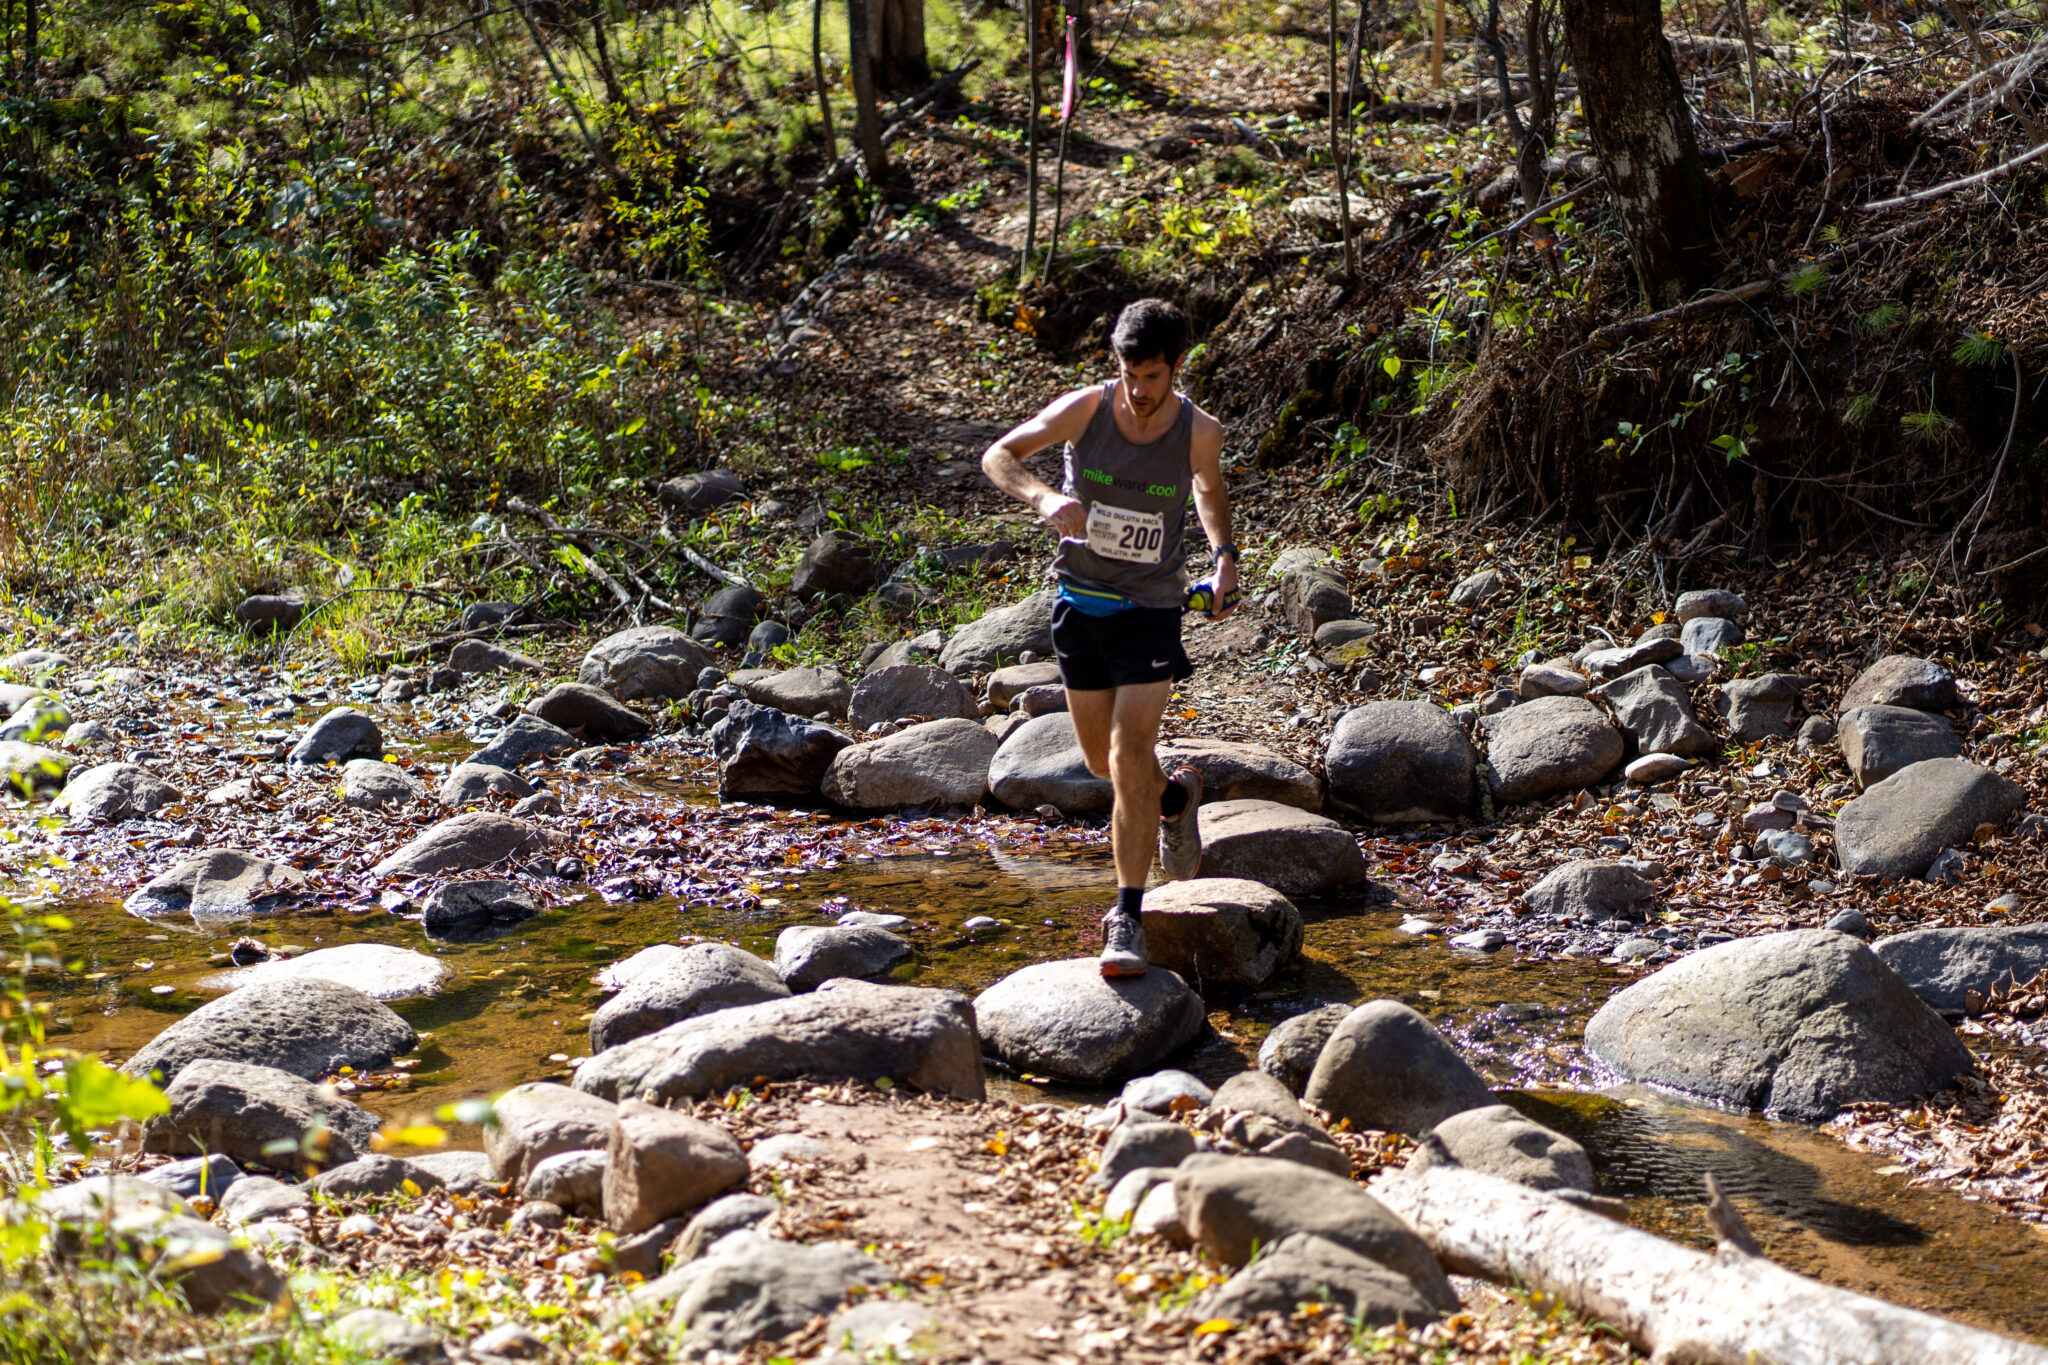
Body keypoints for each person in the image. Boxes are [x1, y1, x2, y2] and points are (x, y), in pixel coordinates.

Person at [979, 298, 1238, 977]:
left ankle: (1126, 916)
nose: (1139, 390)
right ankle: (1176, 799)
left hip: (1150, 606)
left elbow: (1208, 492)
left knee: (1128, 750)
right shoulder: (1084, 410)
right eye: (1129, 373)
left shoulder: (1198, 431)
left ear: (1177, 368)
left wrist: (1224, 559)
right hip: (1079, 604)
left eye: (1152, 376)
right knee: (1102, 763)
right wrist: (1043, 498)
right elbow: (999, 454)